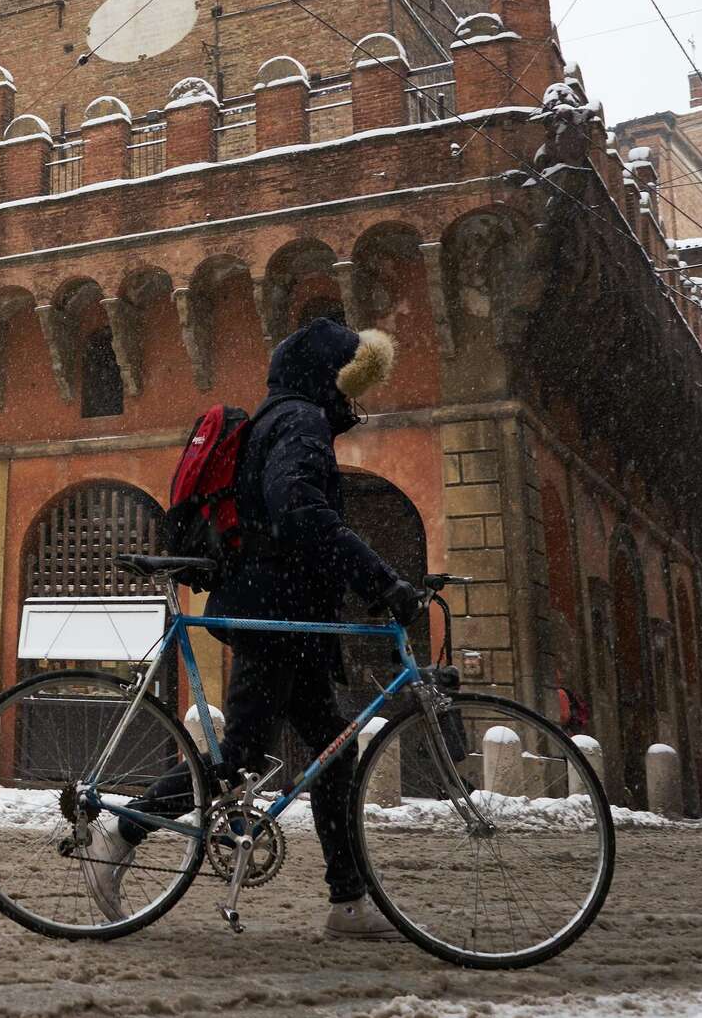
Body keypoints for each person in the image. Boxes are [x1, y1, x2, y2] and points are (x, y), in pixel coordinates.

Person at [79, 317, 424, 940]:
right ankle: (122, 830)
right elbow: (298, 511)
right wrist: (381, 581)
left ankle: (348, 903)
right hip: (277, 613)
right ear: (328, 377)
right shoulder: (299, 422)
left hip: (289, 615)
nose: (354, 399)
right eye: (351, 382)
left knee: (332, 752)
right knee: (241, 756)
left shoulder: (282, 418)